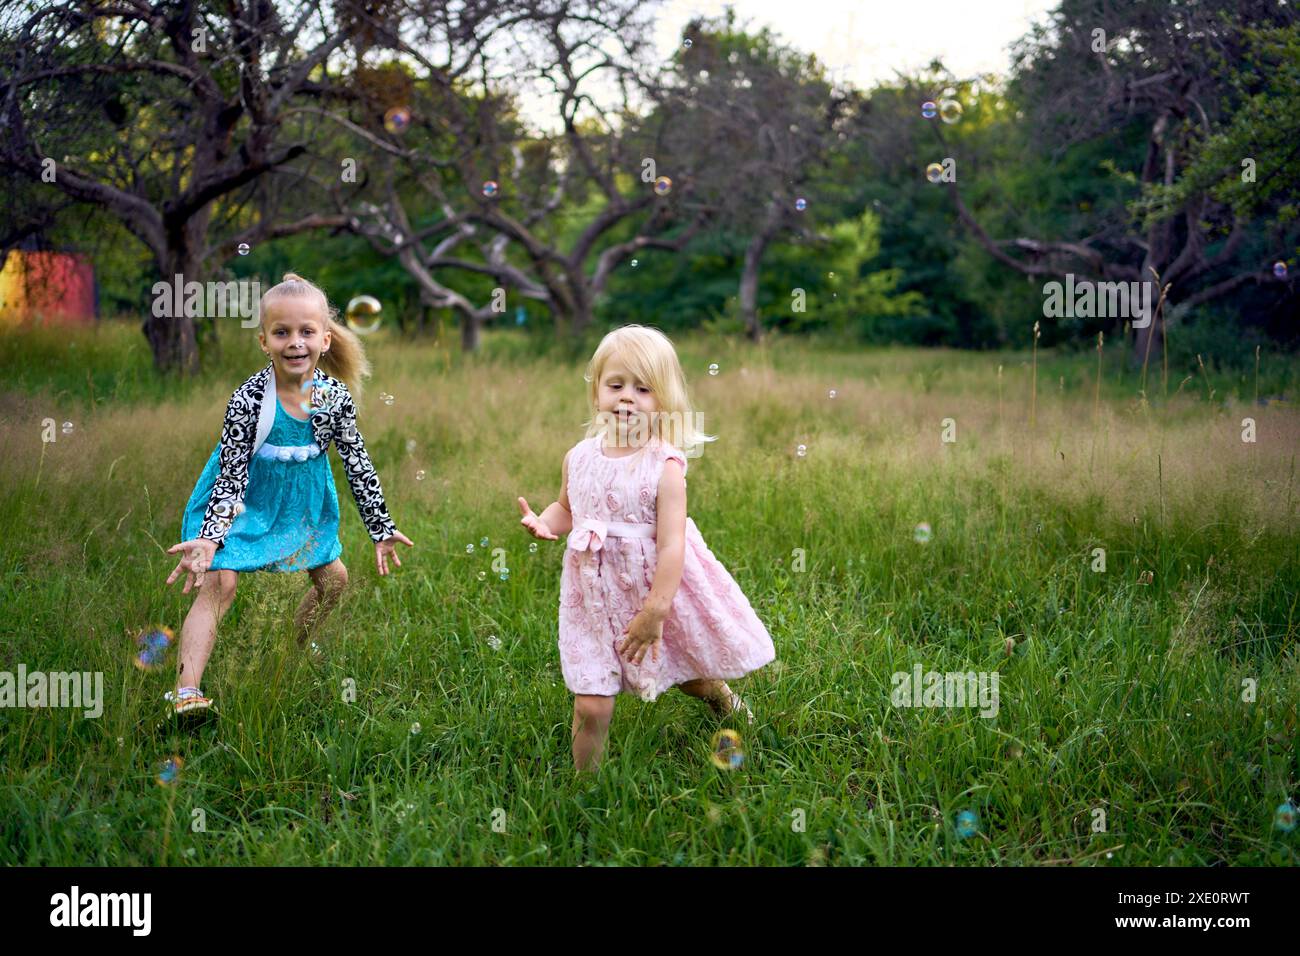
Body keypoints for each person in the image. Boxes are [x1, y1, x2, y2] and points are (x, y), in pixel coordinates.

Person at [517, 324, 775, 771]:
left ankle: (722, 697)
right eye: (615, 385)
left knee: (692, 679)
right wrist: (545, 522)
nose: (627, 398)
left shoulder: (665, 466)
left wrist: (656, 611)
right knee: (592, 703)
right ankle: (586, 792)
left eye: (643, 389)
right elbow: (567, 507)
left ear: (664, 400)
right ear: (596, 391)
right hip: (593, 598)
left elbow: (673, 545)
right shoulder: (578, 457)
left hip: (654, 591)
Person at [164, 273, 413, 717]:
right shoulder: (249, 400)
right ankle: (187, 693)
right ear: (264, 341)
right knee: (220, 582)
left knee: (334, 580)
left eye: (306, 332)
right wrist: (210, 536)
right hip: (242, 499)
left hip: (301, 505)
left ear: (325, 338)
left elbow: (357, 463)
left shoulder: (334, 398)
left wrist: (381, 528)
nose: (294, 342)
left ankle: (291, 652)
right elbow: (231, 476)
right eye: (281, 332)